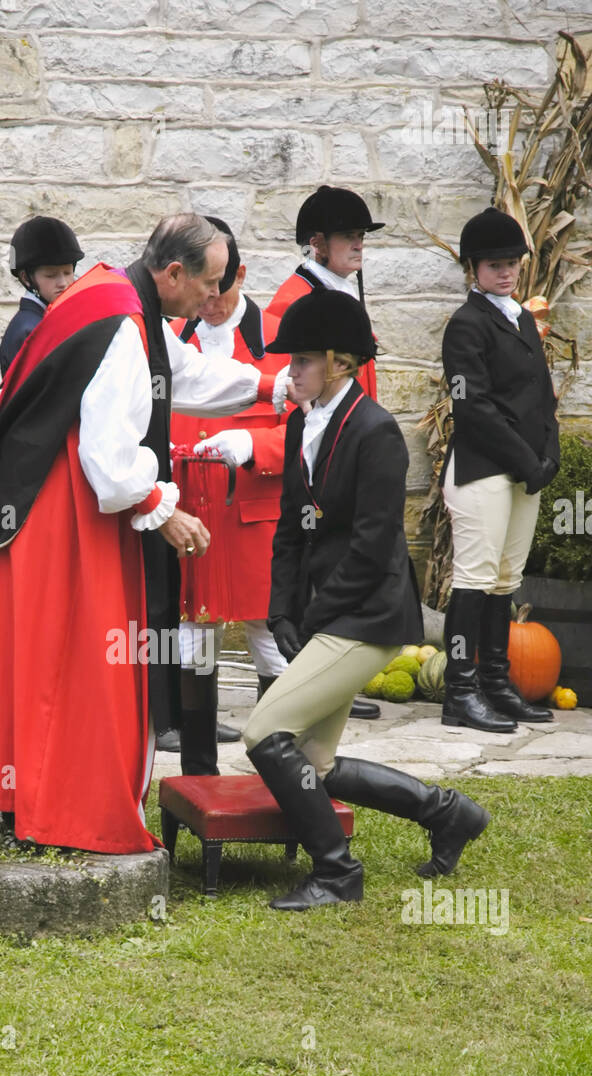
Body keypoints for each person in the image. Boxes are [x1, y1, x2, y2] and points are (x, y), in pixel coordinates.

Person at [0, 213, 290, 854]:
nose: (217, 299)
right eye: (211, 284)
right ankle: (74, 812)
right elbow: (108, 463)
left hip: (40, 504)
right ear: (174, 273)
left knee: (54, 659)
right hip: (61, 516)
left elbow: (180, 374)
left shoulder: (120, 293)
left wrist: (272, 382)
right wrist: (165, 506)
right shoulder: (124, 326)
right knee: (79, 662)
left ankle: (31, 800)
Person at [243, 291, 489, 912]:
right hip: (327, 613)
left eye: (299, 360)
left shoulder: (377, 432)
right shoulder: (302, 421)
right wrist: (281, 611)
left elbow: (374, 544)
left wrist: (316, 617)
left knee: (265, 731)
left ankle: (337, 873)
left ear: (340, 362)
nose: (287, 372)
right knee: (314, 761)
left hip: (370, 613)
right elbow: (290, 530)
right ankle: (449, 813)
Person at [166, 216, 290, 774]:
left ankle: (277, 769)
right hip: (190, 516)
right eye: (203, 288)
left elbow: (314, 432)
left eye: (222, 288)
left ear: (239, 273)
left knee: (267, 637)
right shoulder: (170, 339)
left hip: (255, 517)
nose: (210, 302)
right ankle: (198, 774)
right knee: (195, 635)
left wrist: (254, 444)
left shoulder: (283, 338)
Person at [267, 183, 387, 719]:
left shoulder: (341, 290)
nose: (358, 244)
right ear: (317, 243)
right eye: (348, 236)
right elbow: (286, 397)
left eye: (362, 235)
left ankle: (336, 676)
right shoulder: (292, 302)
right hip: (319, 454)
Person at [440, 208, 558, 732]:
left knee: (505, 582)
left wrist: (549, 455)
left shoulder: (524, 319)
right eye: (494, 265)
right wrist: (525, 460)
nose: (505, 272)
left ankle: (494, 680)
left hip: (524, 471)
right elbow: (473, 408)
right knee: (474, 580)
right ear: (474, 268)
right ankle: (459, 692)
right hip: (484, 470)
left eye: (511, 263)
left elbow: (542, 396)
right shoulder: (466, 325)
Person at [0, 216, 83, 376]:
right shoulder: (30, 331)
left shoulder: (44, 320)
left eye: (67, 272)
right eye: (51, 275)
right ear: (26, 278)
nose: (63, 283)